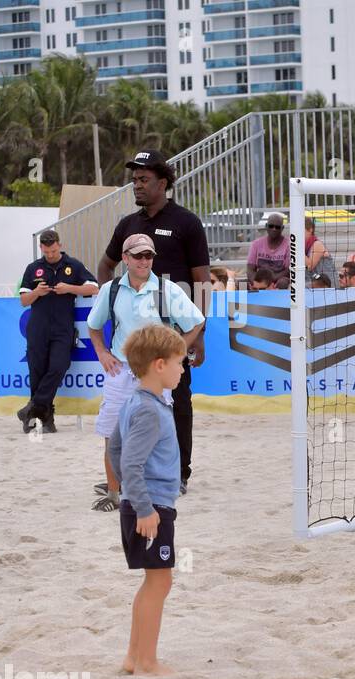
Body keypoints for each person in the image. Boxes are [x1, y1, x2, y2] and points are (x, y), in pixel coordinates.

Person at [99, 148, 210, 496]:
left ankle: (179, 474)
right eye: (134, 179)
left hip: (173, 335)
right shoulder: (127, 225)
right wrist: (110, 298)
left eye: (144, 179)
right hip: (132, 344)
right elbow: (105, 266)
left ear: (163, 183)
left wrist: (199, 334)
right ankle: (123, 477)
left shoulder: (187, 222)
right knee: (130, 408)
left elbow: (202, 279)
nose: (137, 185)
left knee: (177, 405)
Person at [88, 234, 205, 512]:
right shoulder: (111, 289)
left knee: (155, 432)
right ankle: (114, 494)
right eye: (138, 255)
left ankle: (152, 489)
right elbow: (94, 326)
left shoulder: (168, 290)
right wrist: (102, 353)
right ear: (125, 258)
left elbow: (195, 323)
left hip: (154, 374)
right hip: (120, 369)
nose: (144, 261)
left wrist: (175, 354)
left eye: (148, 255)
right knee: (112, 432)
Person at [110, 322, 188, 677]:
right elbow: (129, 460)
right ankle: (147, 661)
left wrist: (130, 496)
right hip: (150, 508)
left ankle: (132, 656)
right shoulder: (147, 410)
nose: (182, 369)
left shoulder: (135, 403)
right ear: (159, 365)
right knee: (160, 582)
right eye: (178, 362)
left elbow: (114, 449)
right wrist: (142, 506)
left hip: (143, 504)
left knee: (152, 582)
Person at [16, 228, 98, 434]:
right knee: (37, 372)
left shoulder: (73, 265)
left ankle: (32, 408)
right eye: (47, 252)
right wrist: (37, 292)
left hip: (63, 328)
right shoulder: (33, 268)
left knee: (59, 366)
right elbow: (24, 301)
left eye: (53, 251)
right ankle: (43, 419)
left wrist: (69, 288)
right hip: (38, 327)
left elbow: (94, 287)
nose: (50, 255)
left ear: (59, 245)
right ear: (41, 248)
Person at [246, 213, 290, 288]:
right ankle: (244, 300)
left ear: (282, 228)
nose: (274, 229)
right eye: (271, 226)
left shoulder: (288, 245)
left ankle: (278, 299)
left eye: (277, 227)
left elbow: (288, 270)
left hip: (278, 281)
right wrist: (255, 283)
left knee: (283, 283)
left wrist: (270, 282)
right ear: (266, 226)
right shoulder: (256, 244)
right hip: (259, 281)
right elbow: (250, 269)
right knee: (240, 285)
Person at [303, 216, 336, 288]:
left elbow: (309, 266)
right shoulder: (304, 245)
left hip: (327, 285)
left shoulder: (317, 244)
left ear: (310, 230)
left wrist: (297, 248)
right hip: (315, 282)